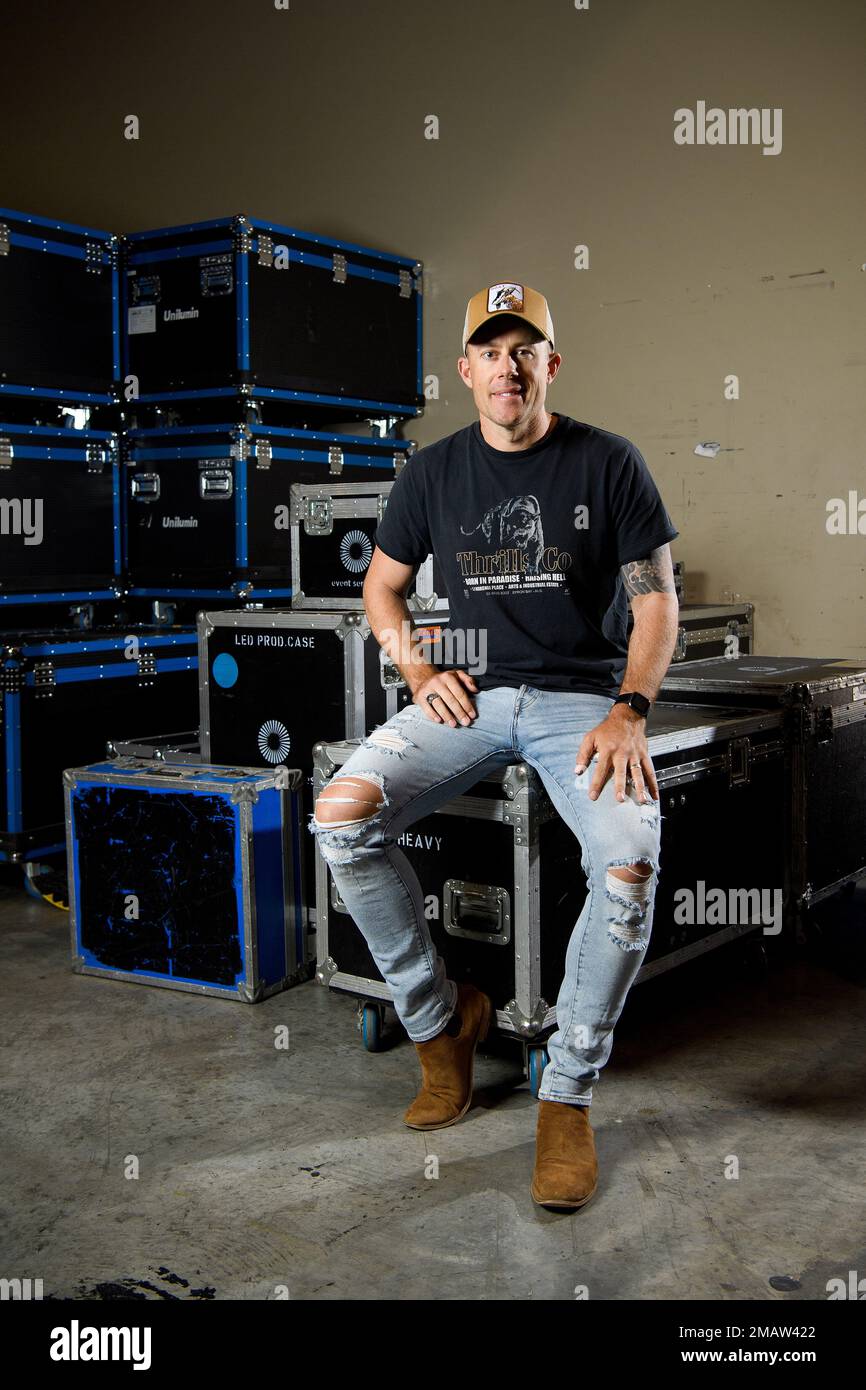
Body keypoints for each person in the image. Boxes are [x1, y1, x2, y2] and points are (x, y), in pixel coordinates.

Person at [309, 282, 680, 1210]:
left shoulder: (609, 462)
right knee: (338, 816)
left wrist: (630, 706)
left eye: (526, 348)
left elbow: (655, 601)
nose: (507, 367)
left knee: (629, 863)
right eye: (490, 350)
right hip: (470, 696)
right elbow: (382, 592)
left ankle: (567, 1091)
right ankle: (443, 1030)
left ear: (550, 363)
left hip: (579, 703)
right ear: (466, 371)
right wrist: (416, 669)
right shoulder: (431, 472)